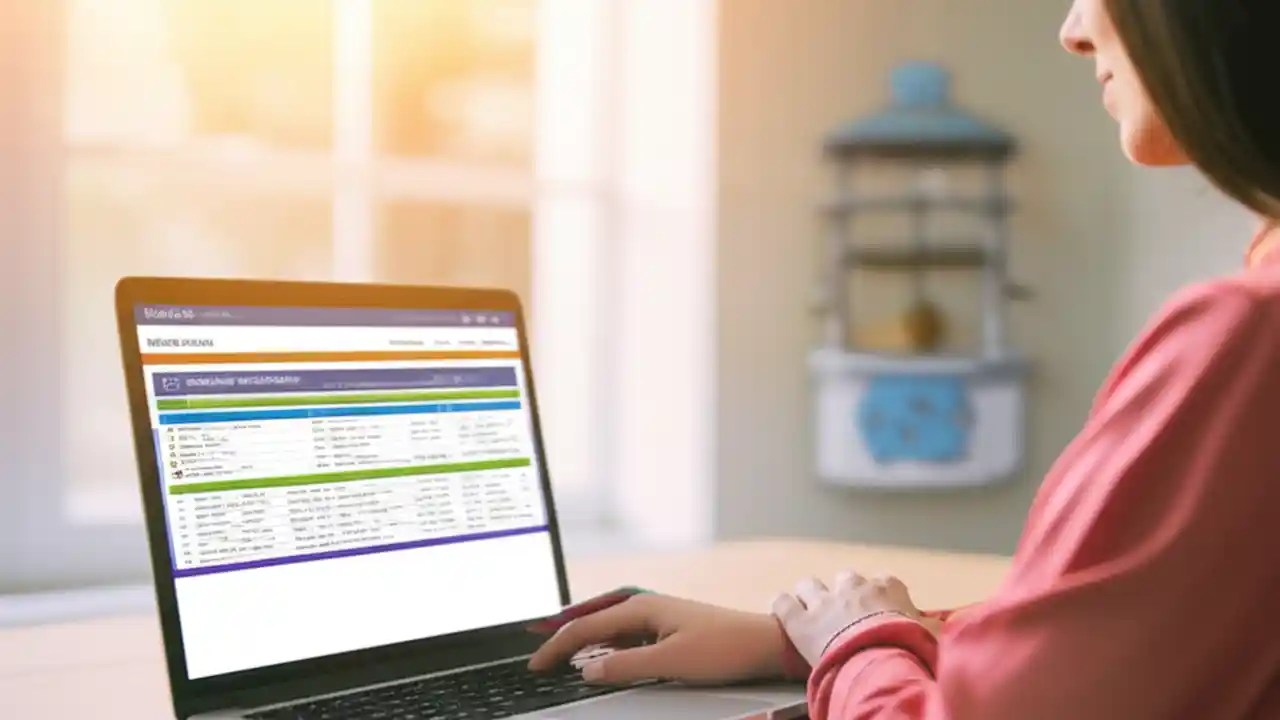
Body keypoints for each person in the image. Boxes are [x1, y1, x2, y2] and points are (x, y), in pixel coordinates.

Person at [528, 0, 1280, 717]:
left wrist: (856, 646)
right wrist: (799, 639)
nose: (1072, 30)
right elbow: (1134, 639)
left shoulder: (1248, 332)